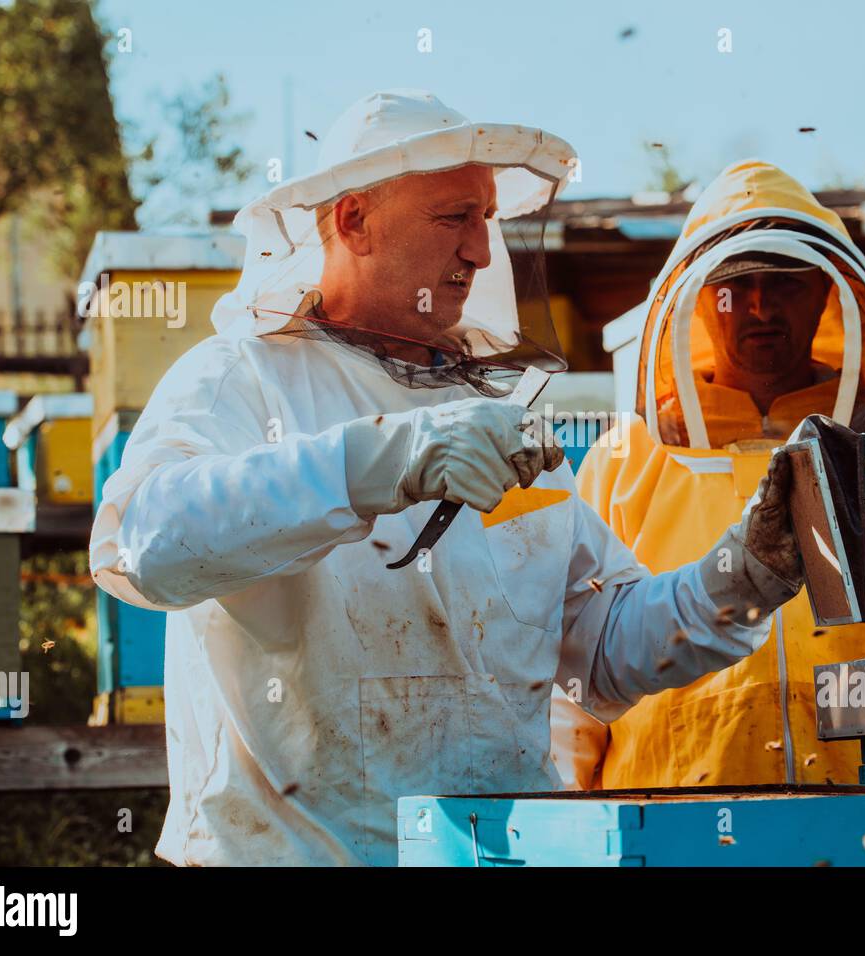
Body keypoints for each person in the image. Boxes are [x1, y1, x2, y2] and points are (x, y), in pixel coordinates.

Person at [89, 92, 807, 866]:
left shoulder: (488, 416)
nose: (481, 253)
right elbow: (140, 546)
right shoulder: (240, 379)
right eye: (453, 218)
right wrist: (381, 462)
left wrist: (745, 577)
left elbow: (604, 647)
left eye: (488, 220)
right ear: (354, 220)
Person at [553, 160, 865, 791]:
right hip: (666, 828)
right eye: (735, 285)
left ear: (829, 291)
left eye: (786, 281)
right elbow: (569, 688)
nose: (761, 305)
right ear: (696, 297)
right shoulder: (622, 463)